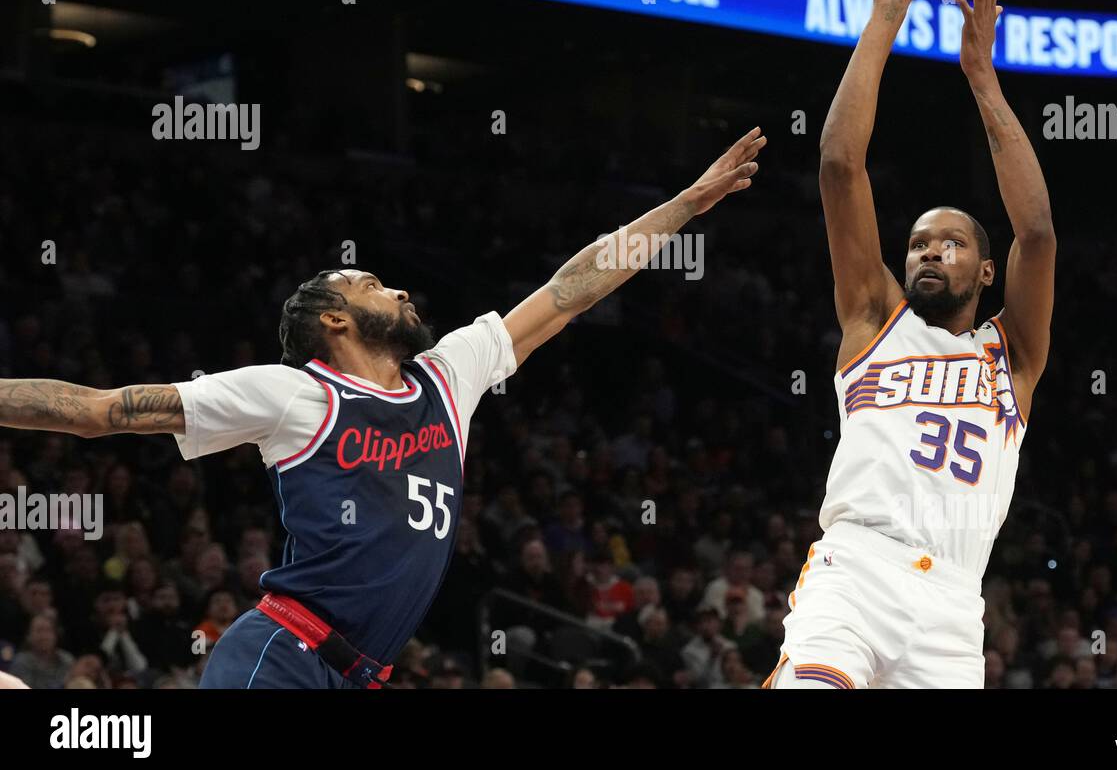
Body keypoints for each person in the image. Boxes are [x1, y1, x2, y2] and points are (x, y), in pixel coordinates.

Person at [0, 132, 765, 689]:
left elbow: (570, 290)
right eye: (370, 285)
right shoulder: (296, 392)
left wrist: (685, 206)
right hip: (282, 657)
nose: (397, 290)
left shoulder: (447, 377)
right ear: (333, 321)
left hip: (362, 675)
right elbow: (100, 411)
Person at [766, 0, 1054, 690]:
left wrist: (983, 80)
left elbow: (1038, 233)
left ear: (986, 273)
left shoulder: (1011, 355)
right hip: (856, 570)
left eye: (951, 242)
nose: (929, 251)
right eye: (919, 242)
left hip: (953, 607)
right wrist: (887, 9)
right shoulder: (873, 317)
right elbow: (838, 163)